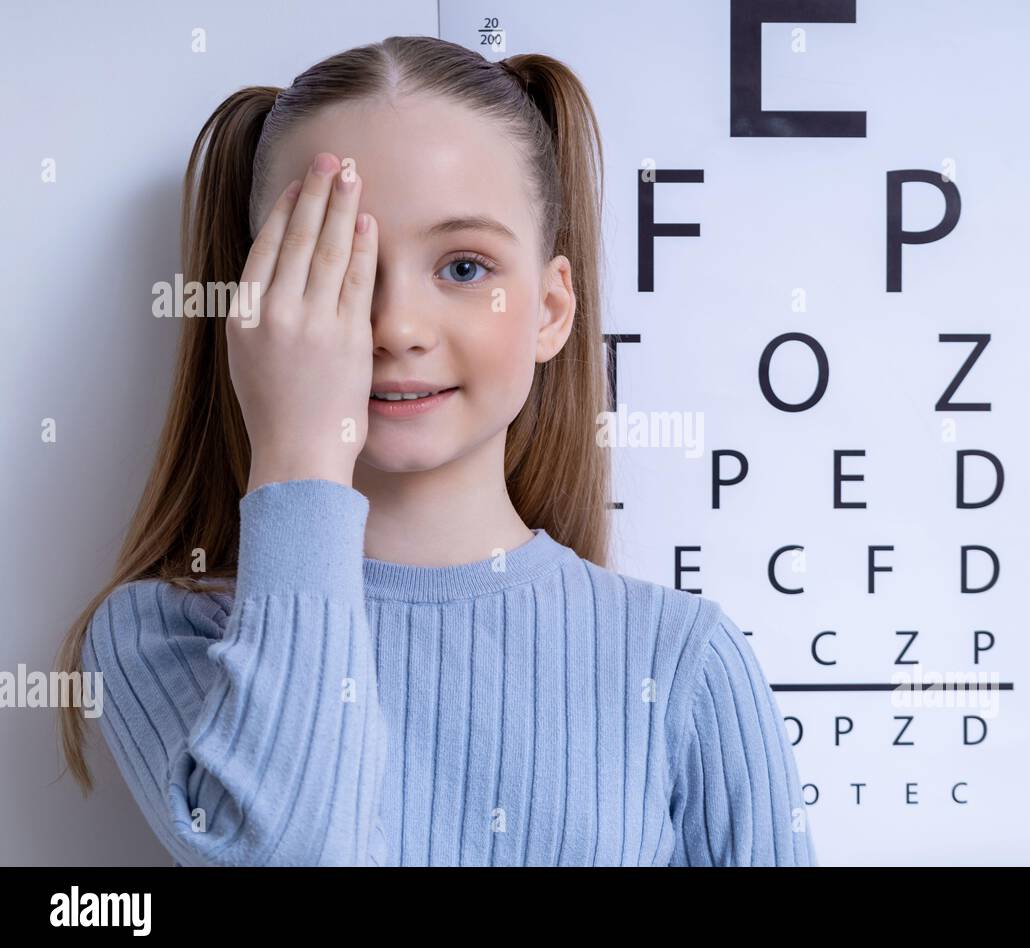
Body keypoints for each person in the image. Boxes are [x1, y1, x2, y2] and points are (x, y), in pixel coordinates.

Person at [56, 35, 817, 867]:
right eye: (334, 270)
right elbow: (291, 853)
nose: (396, 329)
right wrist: (303, 449)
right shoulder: (163, 634)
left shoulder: (681, 659)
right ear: (256, 311)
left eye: (462, 266)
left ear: (552, 309)